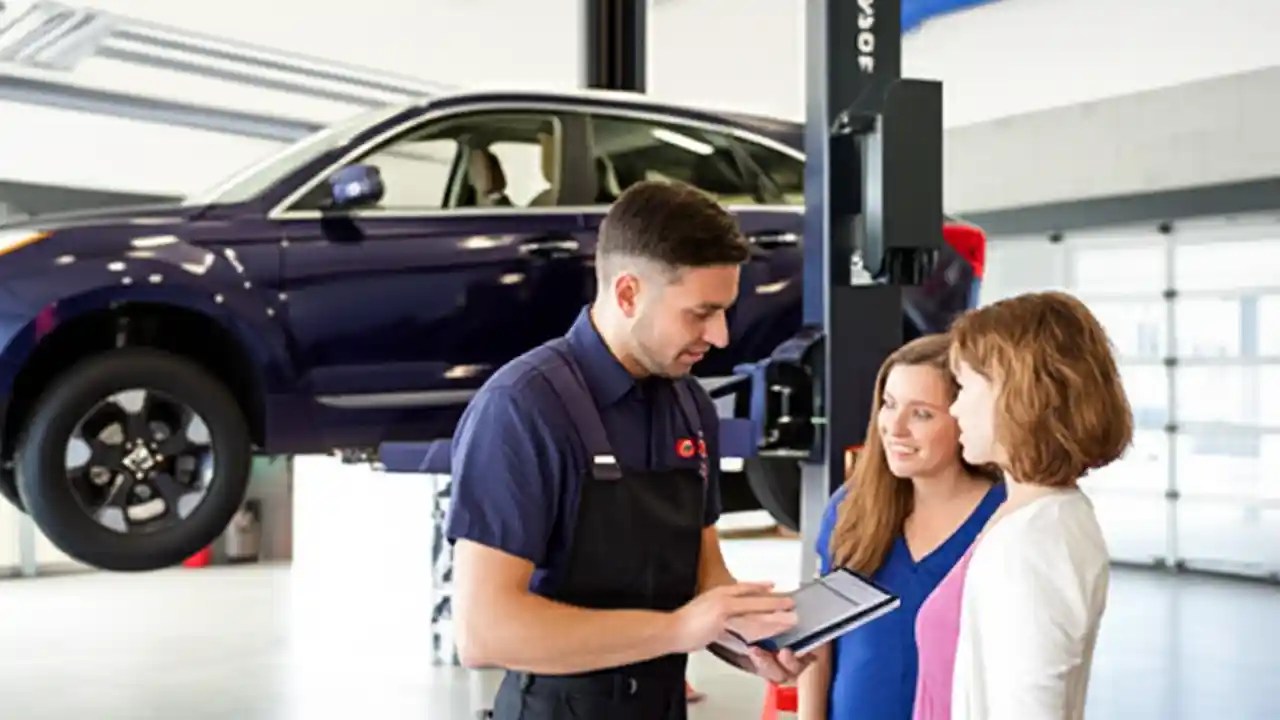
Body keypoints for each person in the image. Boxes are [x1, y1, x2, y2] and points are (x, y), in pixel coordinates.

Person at [445, 180, 813, 720]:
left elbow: (704, 575)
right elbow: (485, 631)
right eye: (701, 312)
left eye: (725, 312)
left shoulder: (690, 405)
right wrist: (677, 629)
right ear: (627, 294)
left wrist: (753, 641)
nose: (720, 336)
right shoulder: (523, 408)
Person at [933, 290, 1133, 720]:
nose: (955, 407)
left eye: (964, 387)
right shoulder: (1036, 515)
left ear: (1016, 392)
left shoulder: (1036, 538)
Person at [798, 334, 1006, 720]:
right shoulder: (850, 507)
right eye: (889, 404)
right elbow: (818, 644)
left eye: (921, 414)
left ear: (965, 418)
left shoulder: (1003, 518)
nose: (895, 427)